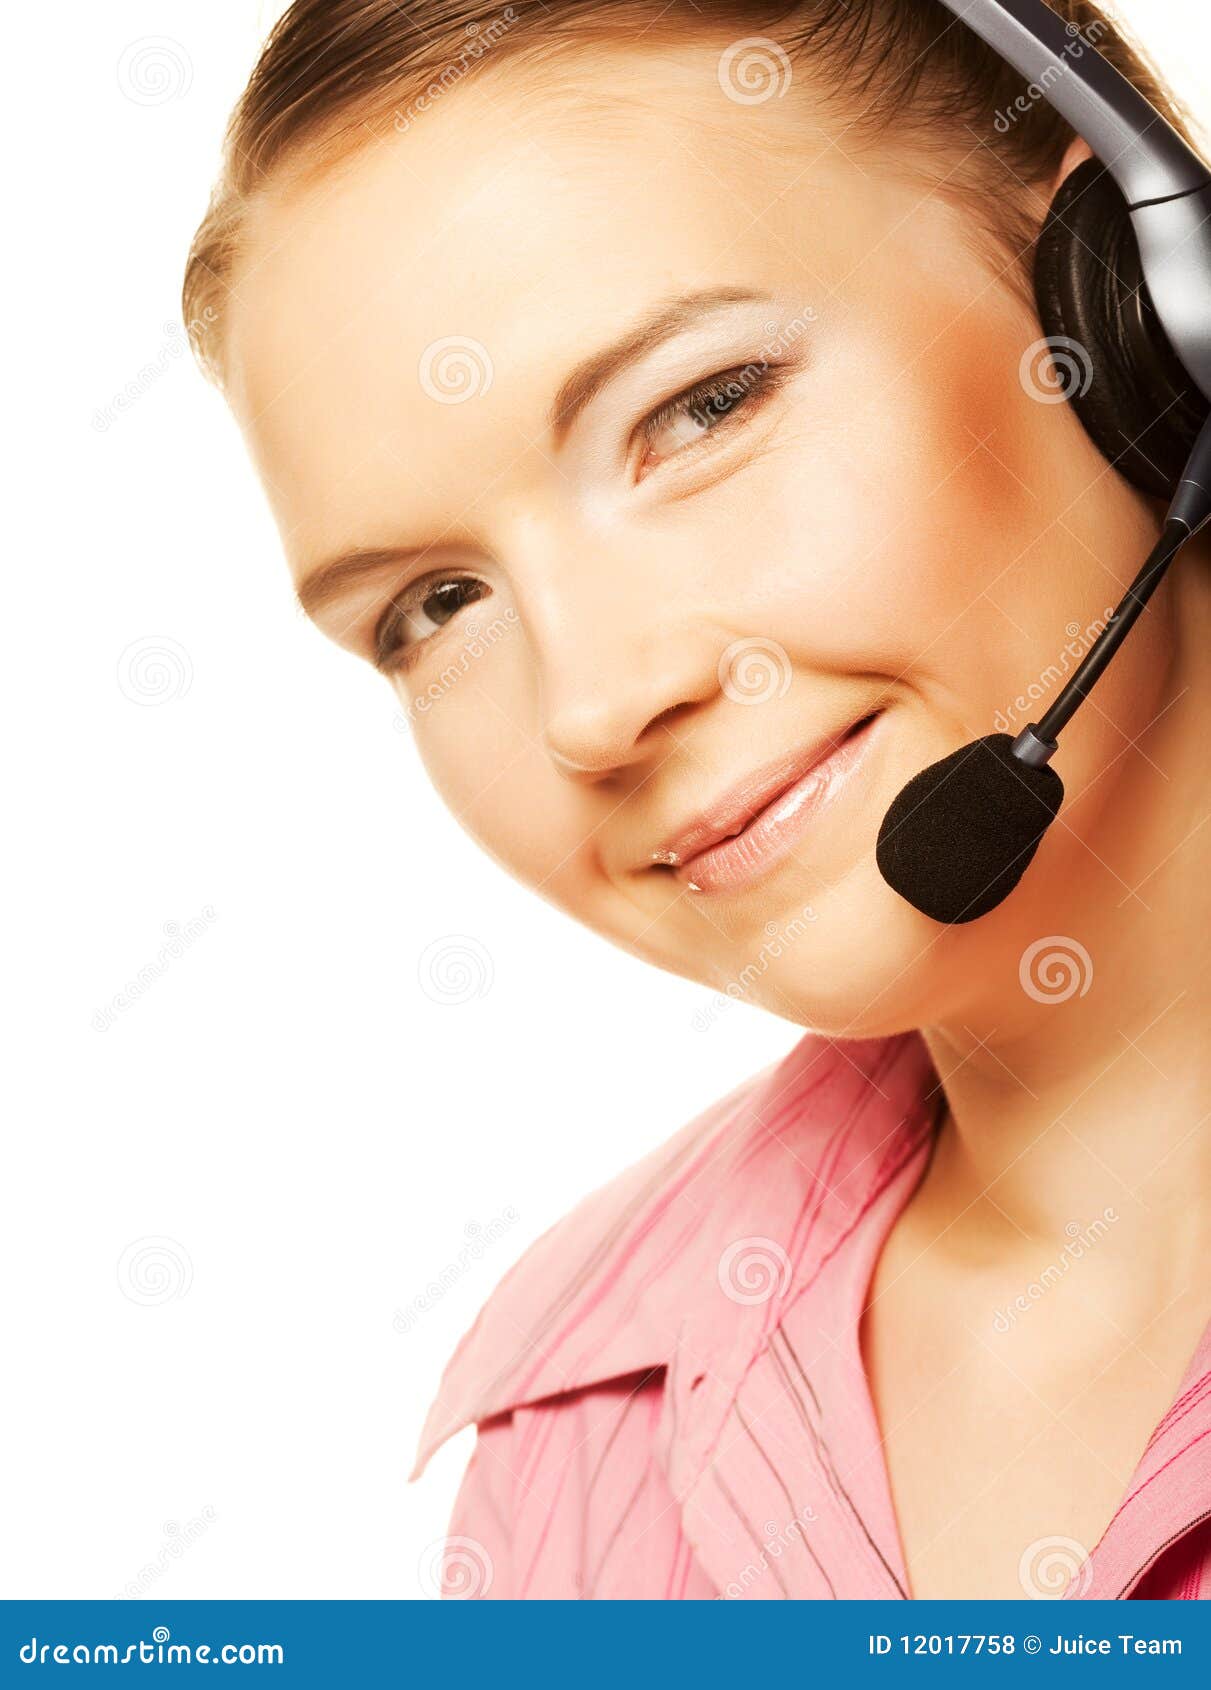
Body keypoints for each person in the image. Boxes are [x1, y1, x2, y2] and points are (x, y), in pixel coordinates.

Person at [182, 0, 1211, 1599]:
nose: (591, 704)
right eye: (436, 605)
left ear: (1138, 302)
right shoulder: (576, 1433)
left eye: (702, 408)